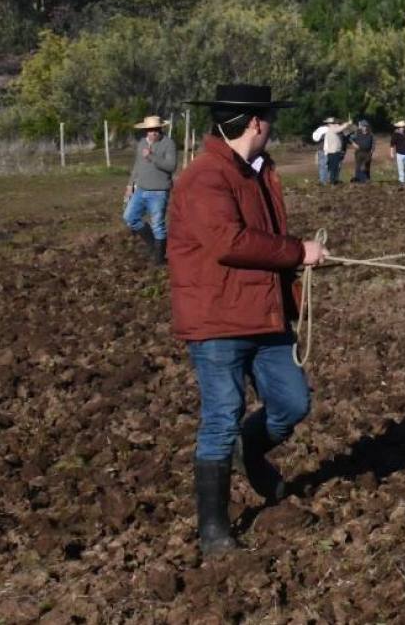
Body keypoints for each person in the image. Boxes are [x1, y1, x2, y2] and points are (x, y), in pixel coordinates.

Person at [169, 83, 328, 558]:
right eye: (270, 119)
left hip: (265, 312)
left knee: (292, 402)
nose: (272, 127)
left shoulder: (257, 174)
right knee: (221, 416)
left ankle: (249, 450)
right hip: (217, 319)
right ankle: (214, 531)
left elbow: (261, 242)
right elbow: (229, 242)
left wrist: (299, 260)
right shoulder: (204, 178)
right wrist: (299, 251)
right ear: (256, 123)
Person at [123, 114, 177, 266]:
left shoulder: (169, 144)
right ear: (146, 131)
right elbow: (137, 166)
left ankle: (160, 260)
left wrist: (152, 156)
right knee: (130, 217)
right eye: (150, 130)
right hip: (141, 189)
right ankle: (153, 245)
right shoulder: (141, 144)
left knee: (158, 224)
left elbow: (171, 166)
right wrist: (130, 185)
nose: (153, 133)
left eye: (156, 130)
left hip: (159, 191)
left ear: (161, 129)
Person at [310, 116, 347, 185]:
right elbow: (316, 138)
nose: (336, 123)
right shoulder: (323, 130)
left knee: (331, 166)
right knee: (326, 166)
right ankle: (325, 181)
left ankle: (330, 180)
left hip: (331, 150)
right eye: (334, 122)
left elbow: (342, 141)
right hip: (325, 150)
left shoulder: (326, 129)